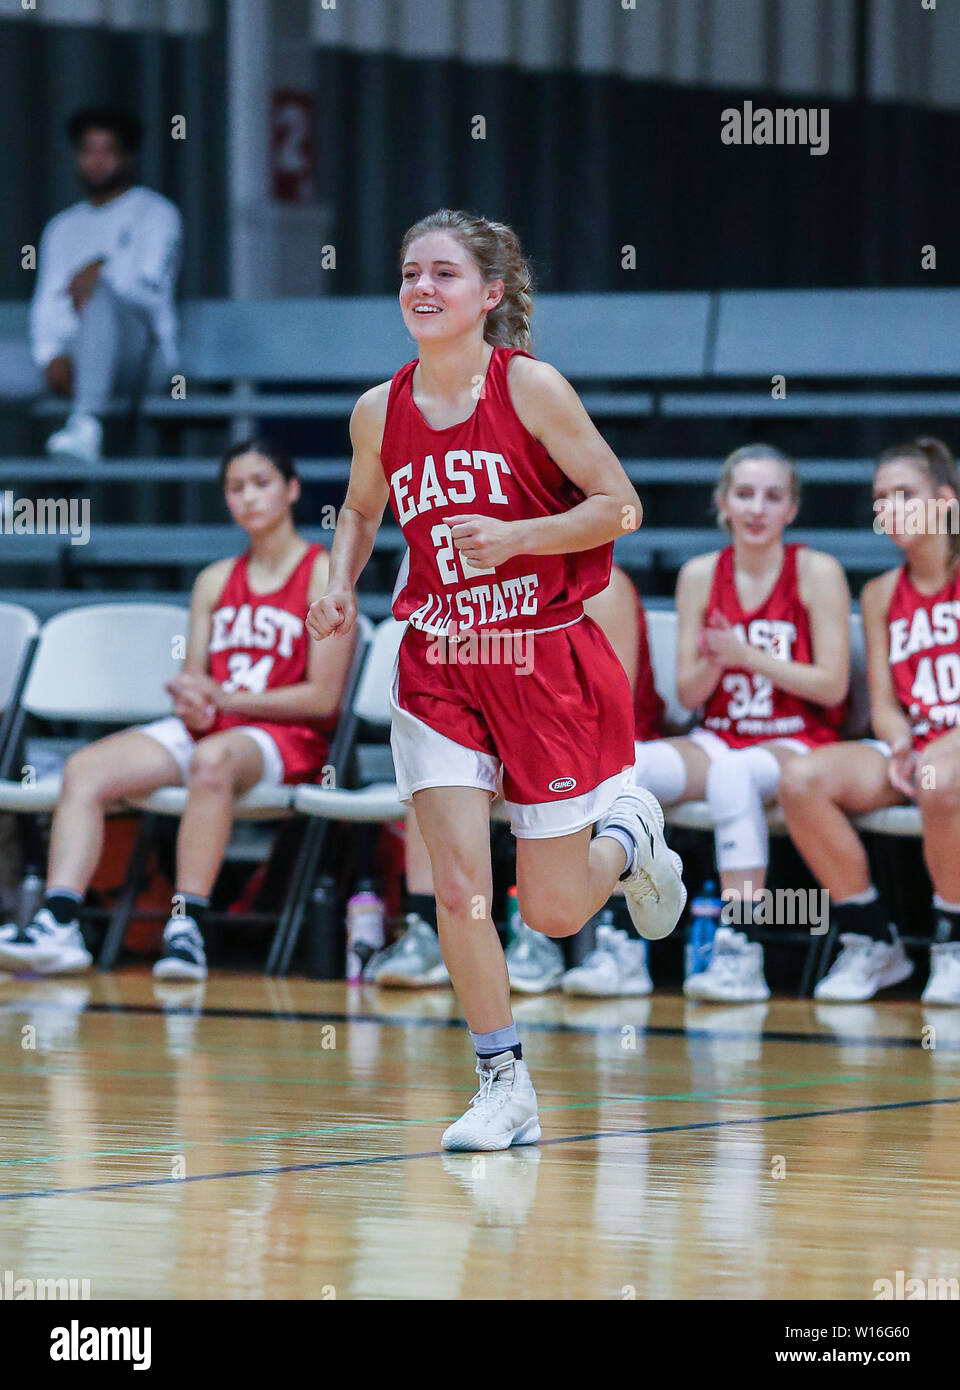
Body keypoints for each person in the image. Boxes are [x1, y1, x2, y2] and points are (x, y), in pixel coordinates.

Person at [307, 208, 685, 1152]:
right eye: (408, 274)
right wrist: (335, 583)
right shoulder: (377, 409)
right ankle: (501, 1080)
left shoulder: (532, 390)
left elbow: (620, 506)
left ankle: (631, 835)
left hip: (541, 656)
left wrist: (518, 537)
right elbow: (360, 510)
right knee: (457, 889)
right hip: (437, 659)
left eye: (442, 274)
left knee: (552, 910)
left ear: (490, 295)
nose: (421, 289)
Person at [0, 440, 354, 979]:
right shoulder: (214, 580)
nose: (248, 498)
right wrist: (192, 698)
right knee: (85, 769)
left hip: (285, 736)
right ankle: (60, 921)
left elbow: (323, 698)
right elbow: (196, 675)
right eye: (235, 488)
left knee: (212, 760)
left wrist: (225, 699)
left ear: (292, 489)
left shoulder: (320, 572)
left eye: (261, 483)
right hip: (216, 726)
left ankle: (186, 926)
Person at [367, 564, 665, 995]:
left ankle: (601, 941)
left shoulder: (605, 586)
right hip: (515, 740)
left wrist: (517, 757)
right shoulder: (474, 589)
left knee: (568, 792)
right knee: (433, 776)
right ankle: (424, 931)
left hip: (599, 745)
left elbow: (610, 706)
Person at [629, 444, 851, 1002]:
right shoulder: (700, 575)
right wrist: (714, 659)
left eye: (772, 496)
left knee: (734, 776)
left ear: (792, 509)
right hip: (720, 733)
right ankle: (624, 942)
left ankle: (740, 947)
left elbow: (833, 686)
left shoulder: (816, 571)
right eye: (744, 494)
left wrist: (746, 655)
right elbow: (687, 693)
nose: (757, 508)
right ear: (723, 503)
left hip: (798, 740)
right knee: (624, 767)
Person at [779, 437, 960, 1006]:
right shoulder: (881, 593)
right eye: (881, 498)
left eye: (905, 494)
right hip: (919, 746)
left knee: (940, 776)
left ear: (946, 499)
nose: (890, 508)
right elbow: (884, 702)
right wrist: (901, 740)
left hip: (949, 752)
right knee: (801, 780)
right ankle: (872, 938)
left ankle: (952, 944)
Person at [0, 107, 181, 461]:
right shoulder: (62, 227)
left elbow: (150, 294)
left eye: (107, 151)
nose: (96, 161)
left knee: (102, 299)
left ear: (126, 157)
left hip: (140, 358)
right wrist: (50, 356)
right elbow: (46, 304)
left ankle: (86, 425)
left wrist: (104, 273)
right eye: (88, 151)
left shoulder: (156, 214)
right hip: (68, 359)